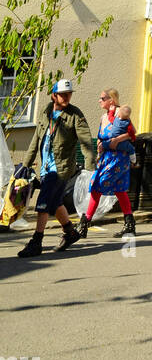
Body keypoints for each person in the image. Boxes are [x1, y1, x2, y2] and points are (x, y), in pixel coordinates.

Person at [16, 79, 95, 258]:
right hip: (45, 167)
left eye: (69, 94)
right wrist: (26, 165)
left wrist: (91, 169)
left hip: (61, 168)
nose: (67, 97)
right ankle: (71, 232)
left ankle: (37, 241)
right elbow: (36, 139)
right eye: (63, 94)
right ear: (54, 95)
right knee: (55, 202)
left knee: (43, 201)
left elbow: (86, 142)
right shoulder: (45, 111)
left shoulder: (75, 115)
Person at [78, 91, 136, 239]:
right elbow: (100, 136)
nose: (99, 100)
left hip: (118, 157)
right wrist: (99, 147)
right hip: (106, 157)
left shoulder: (121, 113)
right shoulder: (103, 117)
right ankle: (129, 224)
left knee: (97, 185)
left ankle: (84, 223)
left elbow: (132, 133)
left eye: (103, 98)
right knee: (119, 190)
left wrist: (117, 140)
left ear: (111, 100)